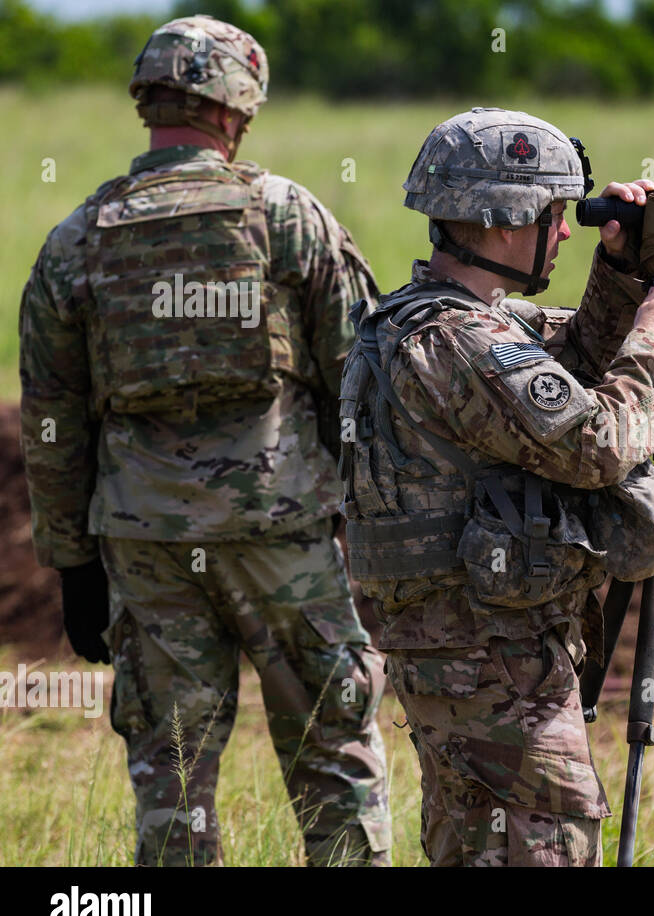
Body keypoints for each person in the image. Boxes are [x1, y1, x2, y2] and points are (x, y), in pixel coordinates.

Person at [19, 15, 390, 866]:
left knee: (173, 775)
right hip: (285, 539)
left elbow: (52, 419)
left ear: (147, 101)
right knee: (333, 758)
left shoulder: (75, 239)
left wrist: (72, 563)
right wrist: (363, 517)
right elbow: (361, 380)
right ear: (239, 108)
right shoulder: (288, 215)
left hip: (145, 547)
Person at [339, 107, 654, 866]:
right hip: (497, 665)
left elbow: (559, 372)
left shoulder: (421, 324)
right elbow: (595, 442)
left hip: (457, 656)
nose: (566, 232)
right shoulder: (461, 341)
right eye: (555, 213)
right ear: (506, 220)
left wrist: (622, 273)